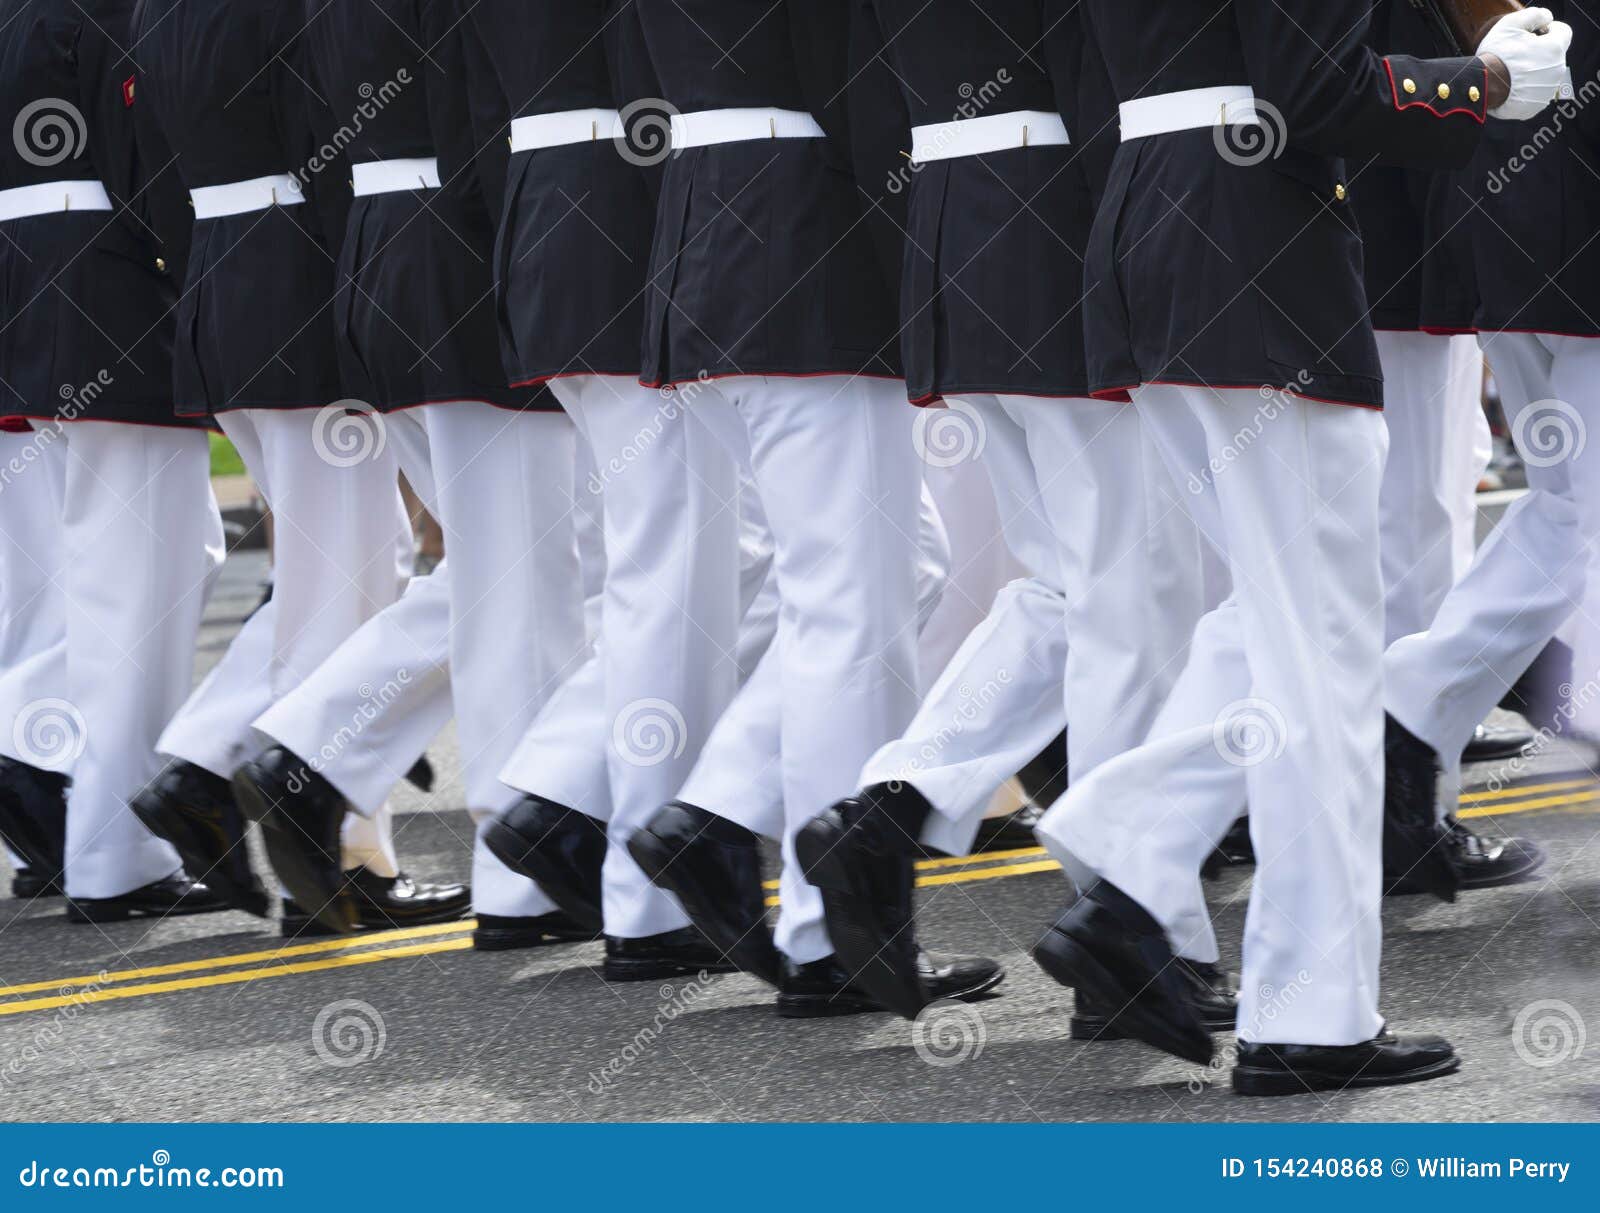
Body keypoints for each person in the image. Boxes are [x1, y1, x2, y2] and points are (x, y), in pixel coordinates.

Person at [1033, 2, 1570, 1095]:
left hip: (1152, 233)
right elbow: (1318, 87)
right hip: (1258, 248)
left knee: (1280, 633)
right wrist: (1485, 85)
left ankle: (1134, 849)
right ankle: (1307, 1016)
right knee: (1322, 661)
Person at [792, 0, 1223, 1029]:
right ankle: (1137, 923)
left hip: (953, 220)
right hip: (1059, 218)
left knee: (1066, 586)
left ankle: (886, 809)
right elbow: (1105, 67)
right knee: (1133, 592)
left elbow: (861, 108)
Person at [128, 0, 460, 925]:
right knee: (350, 589)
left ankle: (208, 767)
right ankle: (349, 861)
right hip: (297, 288)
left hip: (220, 279)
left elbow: (156, 175)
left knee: (335, 581)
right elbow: (339, 149)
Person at [0, 0, 231, 922]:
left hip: (27, 282)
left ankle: (37, 747)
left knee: (56, 575)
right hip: (99, 286)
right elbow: (151, 165)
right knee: (141, 582)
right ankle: (118, 852)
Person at [1384, 0, 1596, 894]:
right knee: (1574, 514)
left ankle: (1415, 710)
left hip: (1510, 203)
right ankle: (1408, 701)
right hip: (1571, 212)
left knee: (1569, 509)